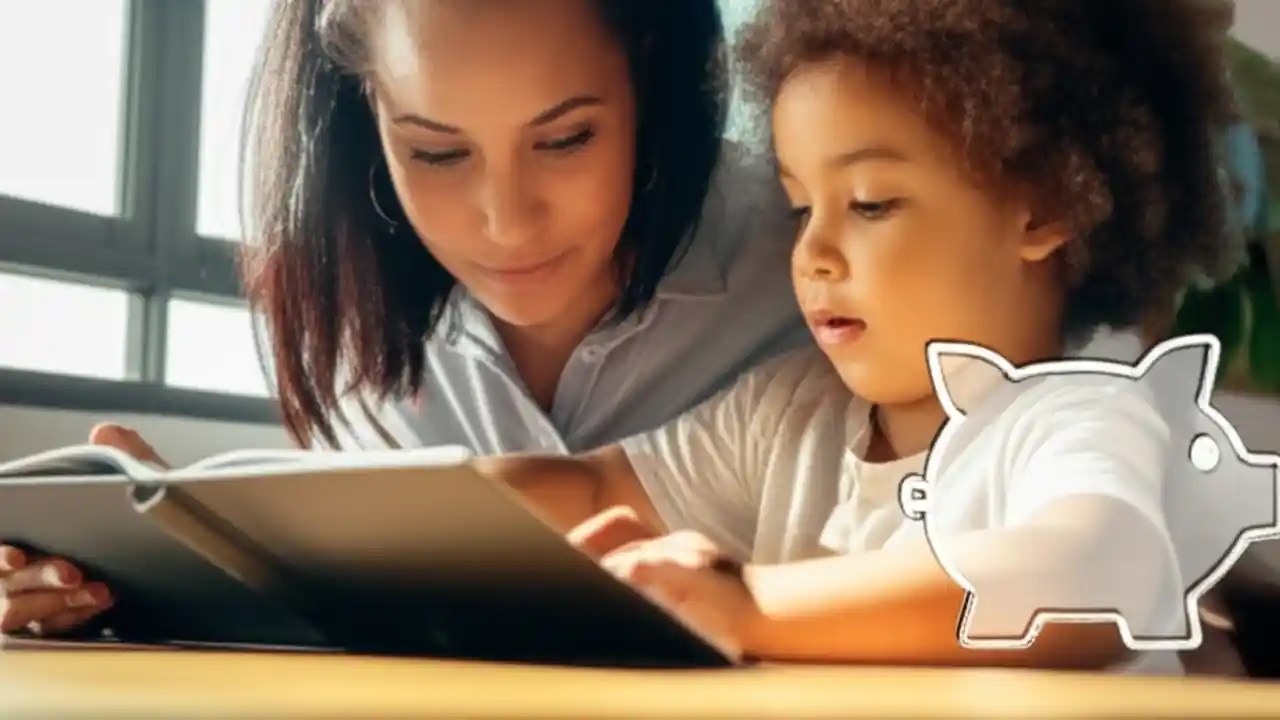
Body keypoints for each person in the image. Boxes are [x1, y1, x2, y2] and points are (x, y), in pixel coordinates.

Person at [466, 0, 1240, 673]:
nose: (813, 254)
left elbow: (1102, 577)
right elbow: (597, 490)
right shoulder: (786, 415)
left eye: (869, 203)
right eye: (802, 208)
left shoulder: (1079, 417)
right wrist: (369, 520)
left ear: (1044, 209)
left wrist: (753, 603)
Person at [0, 0, 808, 637]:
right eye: (437, 152)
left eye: (565, 138)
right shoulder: (357, 319)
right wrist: (148, 577)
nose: (506, 223)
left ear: (650, 75)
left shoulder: (817, 250)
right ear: (366, 114)